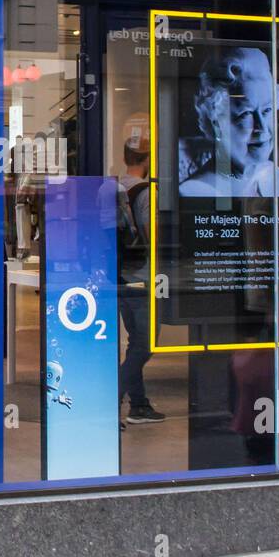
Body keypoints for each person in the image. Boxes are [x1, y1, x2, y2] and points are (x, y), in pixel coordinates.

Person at [179, 47, 279, 199]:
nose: (261, 127)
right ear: (216, 123)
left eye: (267, 110)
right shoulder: (195, 191)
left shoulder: (274, 176)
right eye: (245, 114)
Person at [116, 118, 165, 425]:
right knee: (145, 345)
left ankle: (139, 404)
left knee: (136, 342)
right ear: (147, 159)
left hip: (121, 275)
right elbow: (152, 234)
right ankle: (112, 397)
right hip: (144, 276)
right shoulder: (147, 193)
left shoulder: (115, 187)